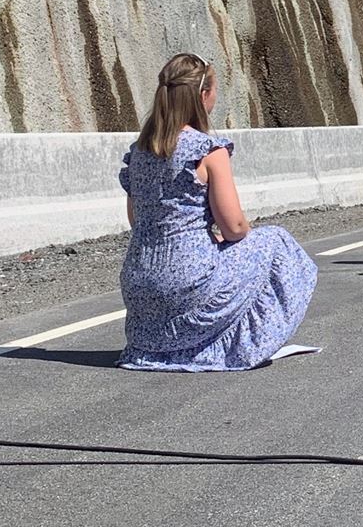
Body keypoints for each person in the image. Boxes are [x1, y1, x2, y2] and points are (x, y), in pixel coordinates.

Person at [118, 54, 316, 371]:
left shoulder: (139, 152)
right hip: (187, 283)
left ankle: (169, 348)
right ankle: (239, 345)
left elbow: (137, 220)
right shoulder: (208, 150)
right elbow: (236, 226)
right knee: (276, 242)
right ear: (203, 95)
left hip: (139, 285)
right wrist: (218, 236)